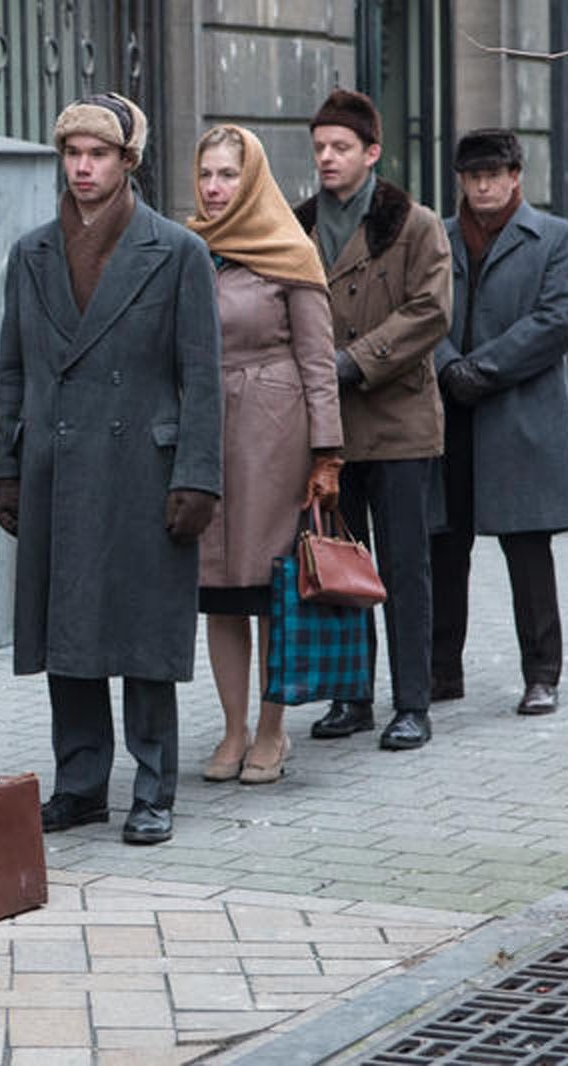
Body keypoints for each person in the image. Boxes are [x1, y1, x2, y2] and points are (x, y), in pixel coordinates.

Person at [0, 93, 223, 845]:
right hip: (57, 463)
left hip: (144, 468)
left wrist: (198, 475)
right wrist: (3, 464)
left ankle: (153, 788)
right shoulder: (32, 253)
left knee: (143, 634)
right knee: (69, 629)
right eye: (72, 153)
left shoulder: (177, 251)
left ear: (128, 162)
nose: (82, 167)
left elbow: (202, 377)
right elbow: (12, 368)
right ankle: (81, 784)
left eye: (98, 154)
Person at [293, 89, 452, 751]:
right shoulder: (298, 224)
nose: (328, 158)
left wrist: (355, 361)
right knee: (339, 562)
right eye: (320, 148)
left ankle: (413, 702)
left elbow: (431, 311)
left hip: (398, 420)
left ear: (372, 152)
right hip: (329, 426)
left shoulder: (413, 223)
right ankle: (351, 696)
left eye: (341, 147)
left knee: (405, 567)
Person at [186, 125, 342, 785]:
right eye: (206, 174)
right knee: (219, 589)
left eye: (228, 174)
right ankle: (233, 728)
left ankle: (274, 730)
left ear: (251, 179)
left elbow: (318, 360)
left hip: (274, 436)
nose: (215, 187)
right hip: (206, 430)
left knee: (271, 586)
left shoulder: (288, 249)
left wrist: (327, 452)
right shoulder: (189, 249)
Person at [430, 128, 568, 716]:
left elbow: (555, 323)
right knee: (444, 548)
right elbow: (422, 311)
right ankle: (441, 672)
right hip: (449, 414)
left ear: (516, 176)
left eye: (494, 174)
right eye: (473, 176)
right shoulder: (438, 237)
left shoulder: (555, 237)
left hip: (519, 414)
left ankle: (542, 674)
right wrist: (448, 366)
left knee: (527, 550)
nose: (483, 186)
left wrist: (480, 370)